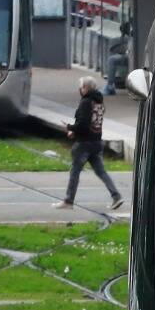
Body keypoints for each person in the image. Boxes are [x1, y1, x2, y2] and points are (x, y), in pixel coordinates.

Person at [56, 76, 123, 211]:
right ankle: (116, 196)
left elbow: (83, 125)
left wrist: (70, 127)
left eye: (81, 87)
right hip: (96, 142)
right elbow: (92, 123)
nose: (80, 90)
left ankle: (68, 201)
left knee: (75, 171)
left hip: (84, 144)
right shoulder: (99, 102)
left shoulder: (86, 102)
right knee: (101, 172)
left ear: (85, 88)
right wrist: (75, 130)